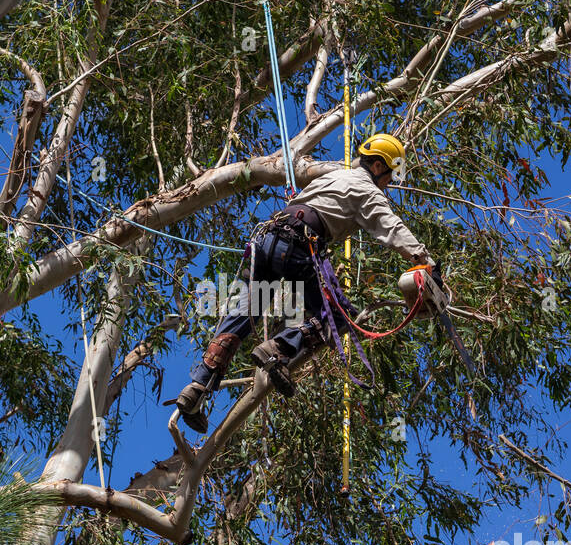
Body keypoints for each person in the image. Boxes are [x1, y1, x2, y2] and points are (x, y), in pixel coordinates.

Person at [169, 133, 437, 433]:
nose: (390, 182)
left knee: (241, 315)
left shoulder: (336, 176)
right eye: (390, 174)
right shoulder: (367, 190)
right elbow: (391, 227)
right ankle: (278, 349)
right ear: (377, 167)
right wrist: (425, 261)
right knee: (337, 316)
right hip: (299, 244)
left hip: (265, 238)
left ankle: (197, 388)